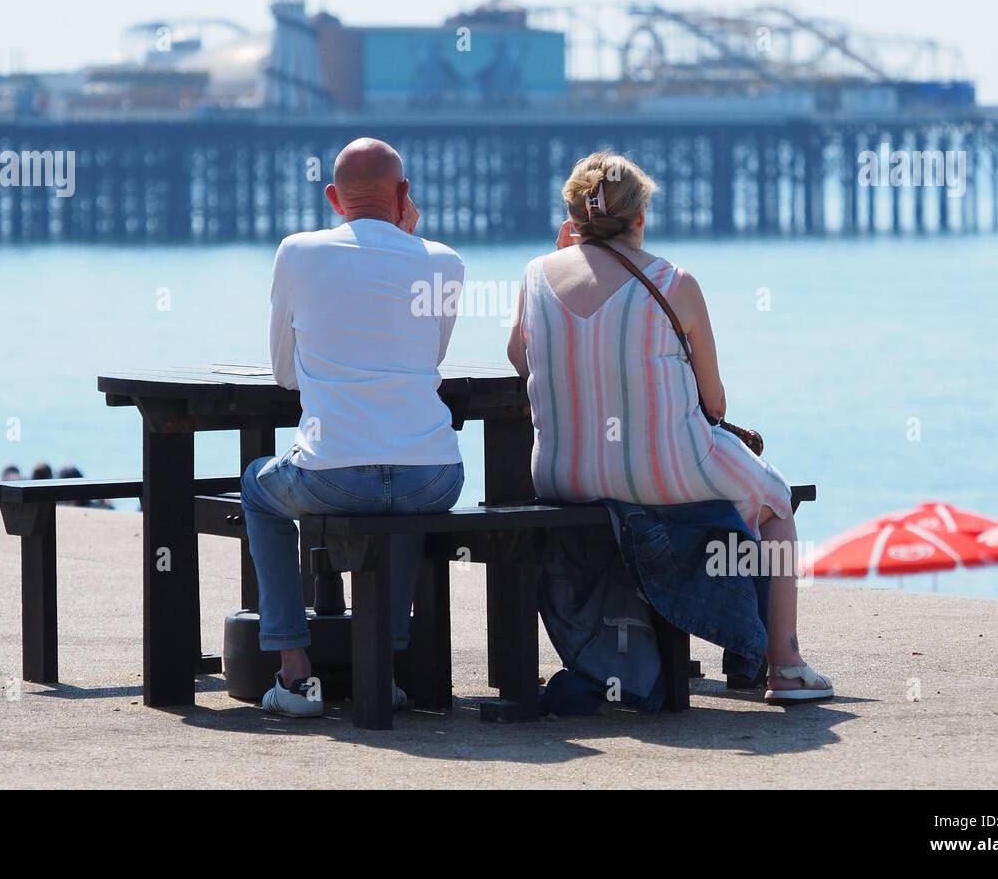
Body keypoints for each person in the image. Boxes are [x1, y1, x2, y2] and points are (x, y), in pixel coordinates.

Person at [507, 152, 833, 704]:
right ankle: (784, 665)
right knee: (776, 504)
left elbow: (521, 359)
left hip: (562, 476)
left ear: (573, 221)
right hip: (665, 475)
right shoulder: (673, 283)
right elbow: (714, 400)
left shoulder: (536, 275)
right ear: (639, 218)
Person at [241, 137, 466, 718]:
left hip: (332, 478)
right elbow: (430, 359)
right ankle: (382, 671)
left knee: (257, 487)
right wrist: (411, 243)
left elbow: (285, 374)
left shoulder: (297, 252)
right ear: (405, 196)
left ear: (334, 198)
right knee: (405, 497)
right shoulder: (442, 262)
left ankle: (294, 674)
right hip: (435, 477)